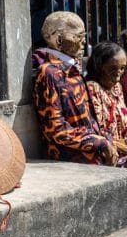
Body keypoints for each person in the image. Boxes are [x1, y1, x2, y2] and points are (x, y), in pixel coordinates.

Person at [32, 11, 118, 165]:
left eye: (84, 36)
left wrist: (106, 139)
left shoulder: (71, 69)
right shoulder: (49, 73)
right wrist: (99, 142)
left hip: (93, 152)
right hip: (74, 158)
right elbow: (56, 130)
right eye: (78, 36)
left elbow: (90, 121)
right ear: (59, 40)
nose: (84, 41)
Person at [85, 41, 127, 164]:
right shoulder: (92, 88)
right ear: (99, 66)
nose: (118, 75)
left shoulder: (117, 87)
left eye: (122, 68)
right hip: (109, 153)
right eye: (112, 68)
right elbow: (98, 131)